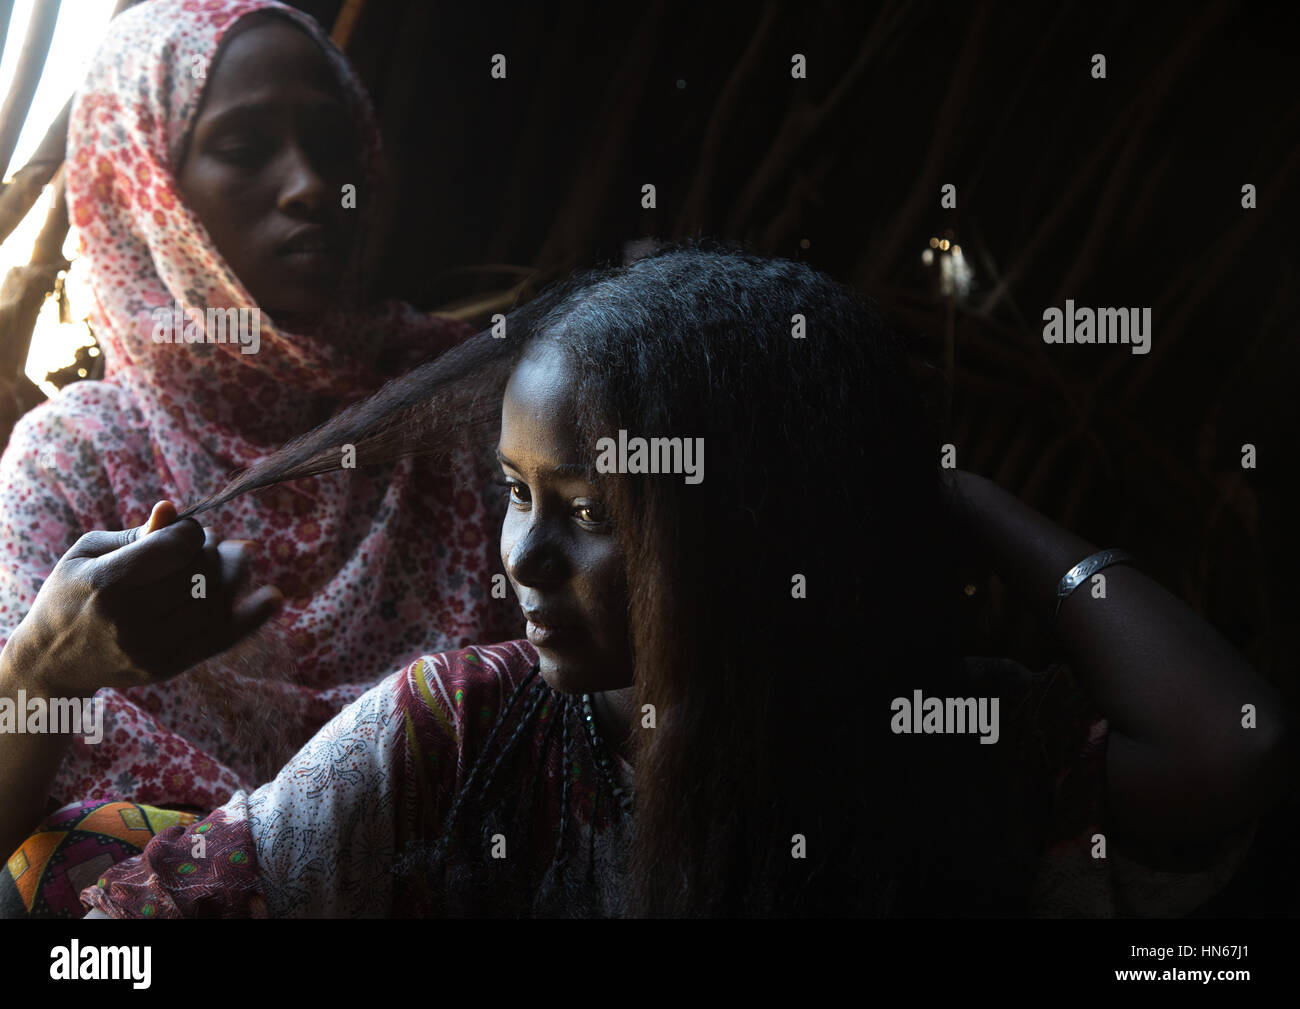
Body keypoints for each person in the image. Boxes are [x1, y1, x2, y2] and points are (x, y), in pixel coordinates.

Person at [77, 243, 1293, 917]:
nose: (522, 562)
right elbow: (111, 940)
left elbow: (1228, 746)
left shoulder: (949, 742)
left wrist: (936, 491)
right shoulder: (458, 735)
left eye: (593, 515)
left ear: (771, 530)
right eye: (515, 494)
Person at [0, 0, 514, 917]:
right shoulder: (76, 457)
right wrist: (42, 668)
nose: (312, 186)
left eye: (331, 139)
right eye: (243, 148)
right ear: (145, 184)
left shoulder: (473, 405)